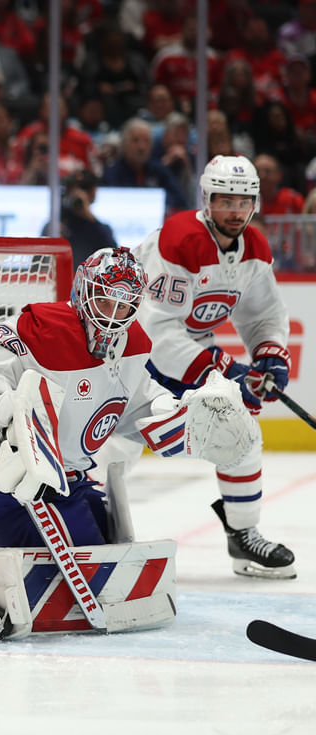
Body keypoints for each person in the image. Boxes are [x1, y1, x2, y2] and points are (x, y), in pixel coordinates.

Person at [0, 247, 258, 552]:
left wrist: (180, 416)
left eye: (123, 306)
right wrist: (7, 413)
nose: (111, 315)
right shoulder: (43, 327)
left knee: (113, 538)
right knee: (99, 570)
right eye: (104, 300)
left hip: (60, 482)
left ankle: (17, 587)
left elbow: (136, 403)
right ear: (83, 289)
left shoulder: (132, 344)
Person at [130, 155, 295, 579]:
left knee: (240, 432)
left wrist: (269, 354)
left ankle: (243, 535)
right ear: (207, 200)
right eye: (225, 201)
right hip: (128, 357)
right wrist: (219, 367)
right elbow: (154, 330)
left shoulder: (254, 248)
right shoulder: (180, 239)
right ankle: (92, 537)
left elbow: (262, 317)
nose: (235, 212)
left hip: (186, 354)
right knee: (113, 449)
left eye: (243, 202)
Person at [43, 170, 117, 267]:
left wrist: (88, 216)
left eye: (83, 189)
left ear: (92, 193)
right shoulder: (58, 225)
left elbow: (114, 258)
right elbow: (39, 262)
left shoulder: (99, 229)